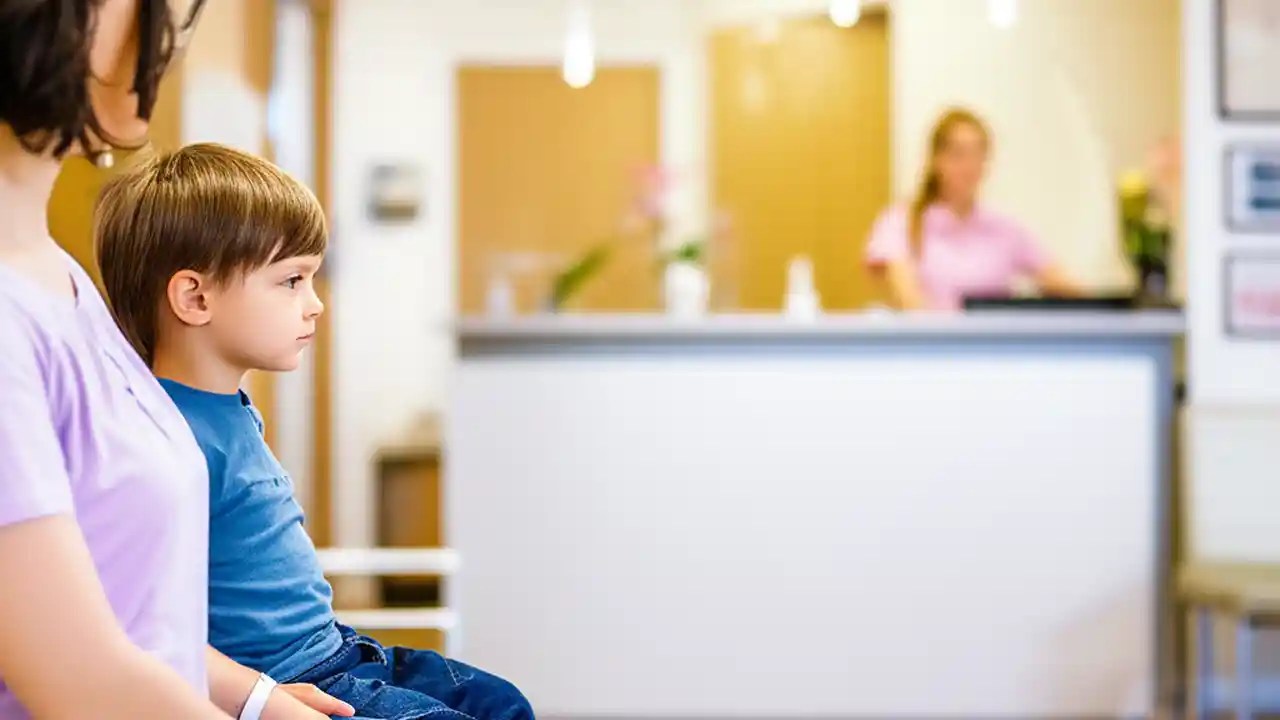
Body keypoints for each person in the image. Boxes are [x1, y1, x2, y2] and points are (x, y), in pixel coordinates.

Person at [0, 2, 359, 718]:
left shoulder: (65, 282)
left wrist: (258, 700)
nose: (164, 31)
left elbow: (136, 614)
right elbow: (81, 679)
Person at [95, 142, 535, 720]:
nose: (315, 305)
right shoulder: (162, 435)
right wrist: (257, 698)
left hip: (339, 648)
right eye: (292, 281)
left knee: (501, 704)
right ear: (195, 297)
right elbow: (136, 616)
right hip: (294, 675)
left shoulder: (230, 408)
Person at [866, 107, 1080, 311]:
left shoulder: (1005, 229)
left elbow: (1063, 284)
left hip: (995, 345)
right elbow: (911, 304)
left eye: (978, 154)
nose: (970, 165)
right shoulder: (900, 222)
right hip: (933, 346)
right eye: (959, 154)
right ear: (936, 159)